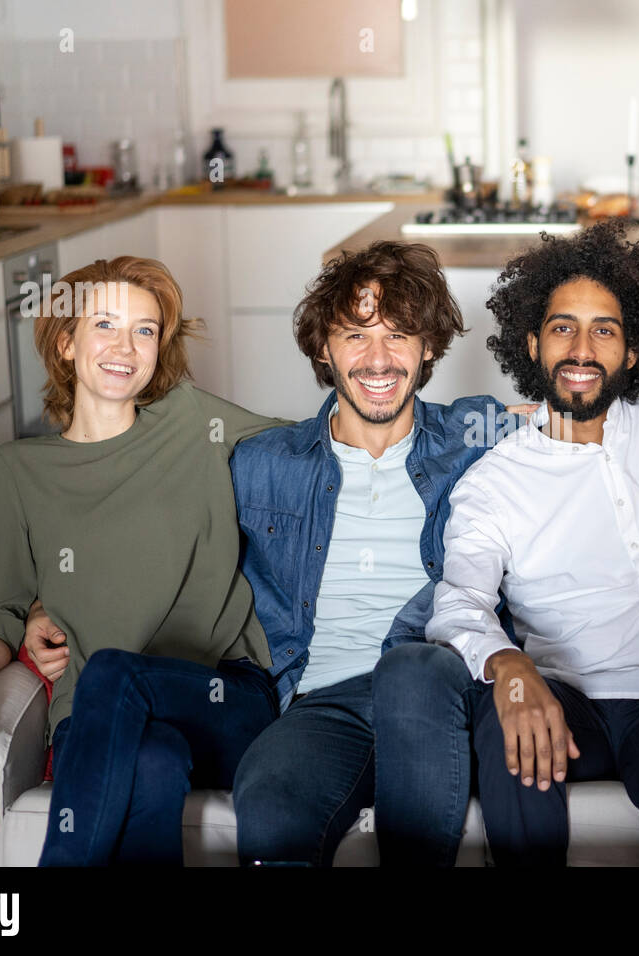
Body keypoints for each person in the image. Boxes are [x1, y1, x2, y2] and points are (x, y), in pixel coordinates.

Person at [372, 220, 639, 867]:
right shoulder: (494, 481)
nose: (582, 347)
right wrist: (510, 667)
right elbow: (459, 603)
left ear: (632, 351)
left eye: (605, 330)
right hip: (561, 691)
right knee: (512, 740)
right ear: (533, 343)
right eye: (563, 327)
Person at [0, 256, 288, 866]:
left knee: (114, 673)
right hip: (95, 721)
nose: (126, 347)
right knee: (154, 760)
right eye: (106, 326)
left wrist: (479, 426)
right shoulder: (18, 470)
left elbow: (323, 439)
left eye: (145, 330)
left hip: (221, 697)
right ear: (66, 343)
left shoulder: (193, 421)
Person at [225, 240, 516, 866]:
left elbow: (587, 424)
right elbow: (171, 547)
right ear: (323, 350)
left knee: (413, 670)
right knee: (270, 802)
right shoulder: (262, 464)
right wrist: (37, 606)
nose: (378, 359)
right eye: (355, 336)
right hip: (322, 697)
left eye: (399, 335)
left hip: (439, 688)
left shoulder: (476, 436)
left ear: (429, 346)